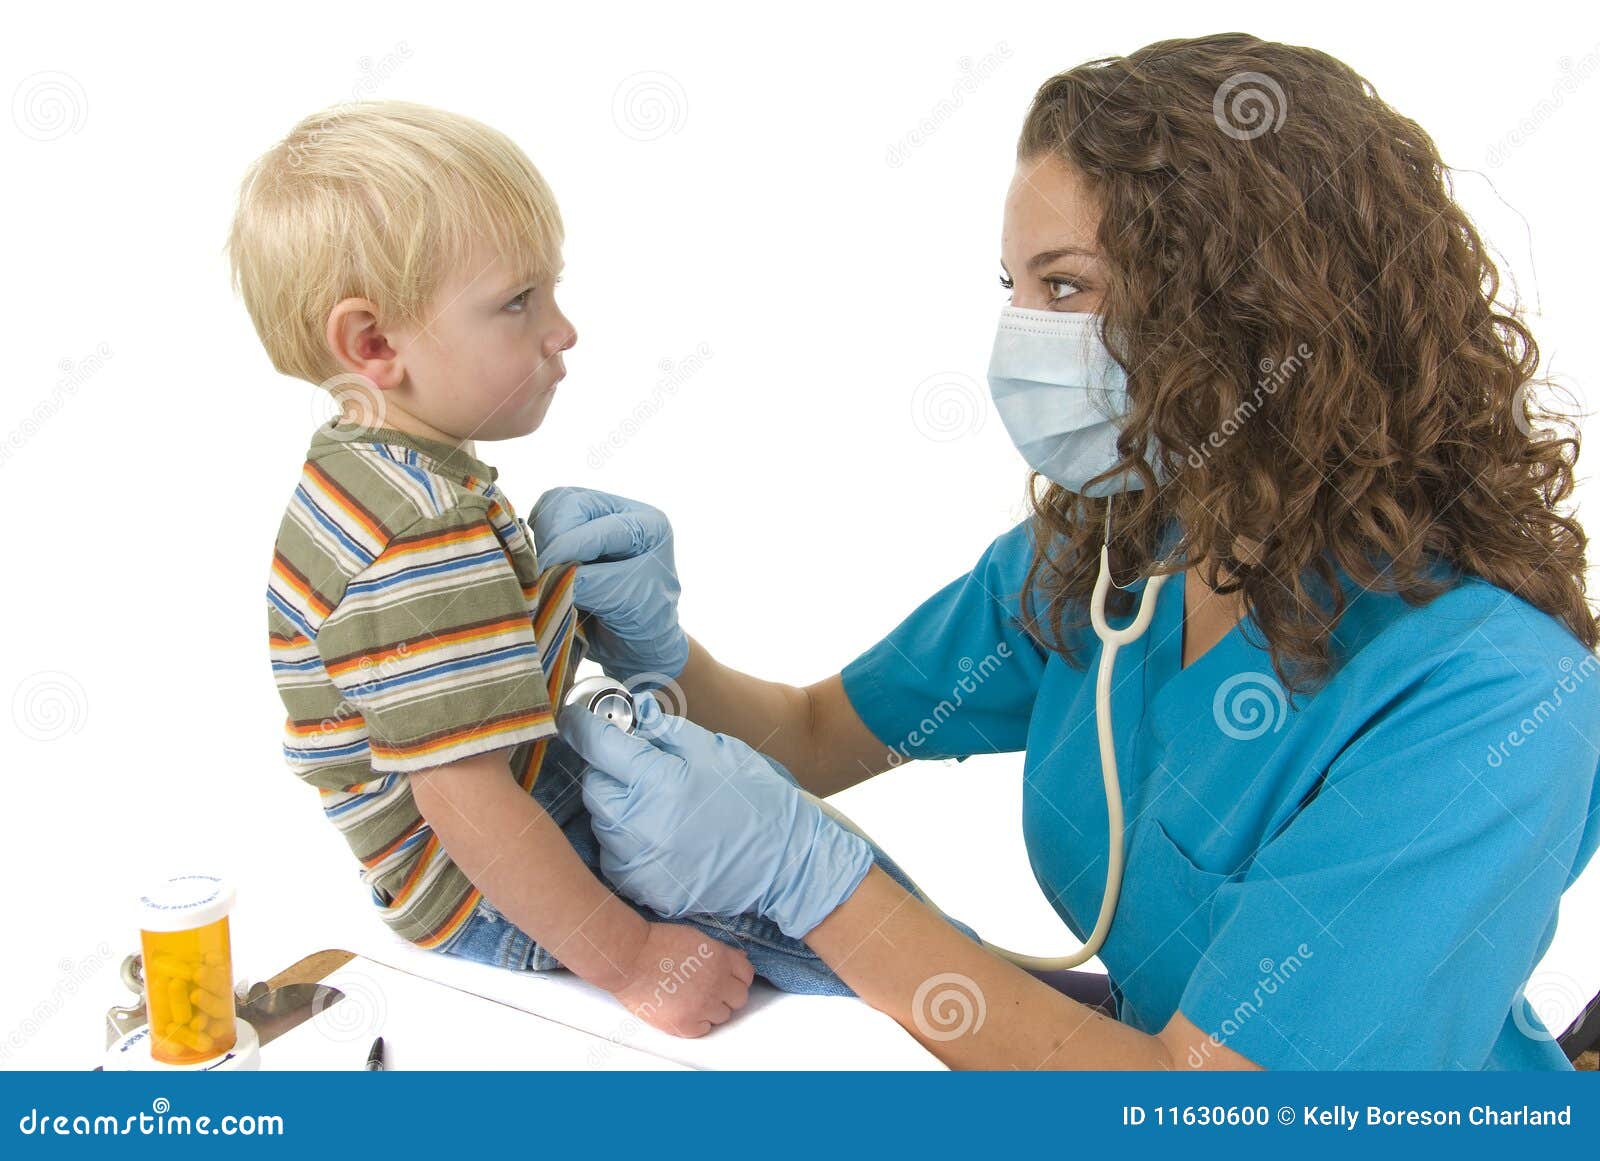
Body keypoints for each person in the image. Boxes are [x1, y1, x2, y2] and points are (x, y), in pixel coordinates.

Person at [544, 33, 1600, 1069]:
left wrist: (815, 885)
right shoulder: (1114, 553)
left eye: (1062, 287)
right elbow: (818, 732)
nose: (1019, 335)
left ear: (1249, 305)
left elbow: (1221, 1120)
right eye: (1009, 286)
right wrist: (655, 652)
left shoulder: (1491, 696)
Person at [234, 101, 974, 1040]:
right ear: (374, 346)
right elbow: (464, 797)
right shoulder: (419, 533)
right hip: (494, 890)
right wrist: (632, 958)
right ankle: (1054, 1038)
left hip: (506, 839)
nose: (563, 329)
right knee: (829, 933)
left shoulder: (366, 473)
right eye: (517, 302)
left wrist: (555, 609)